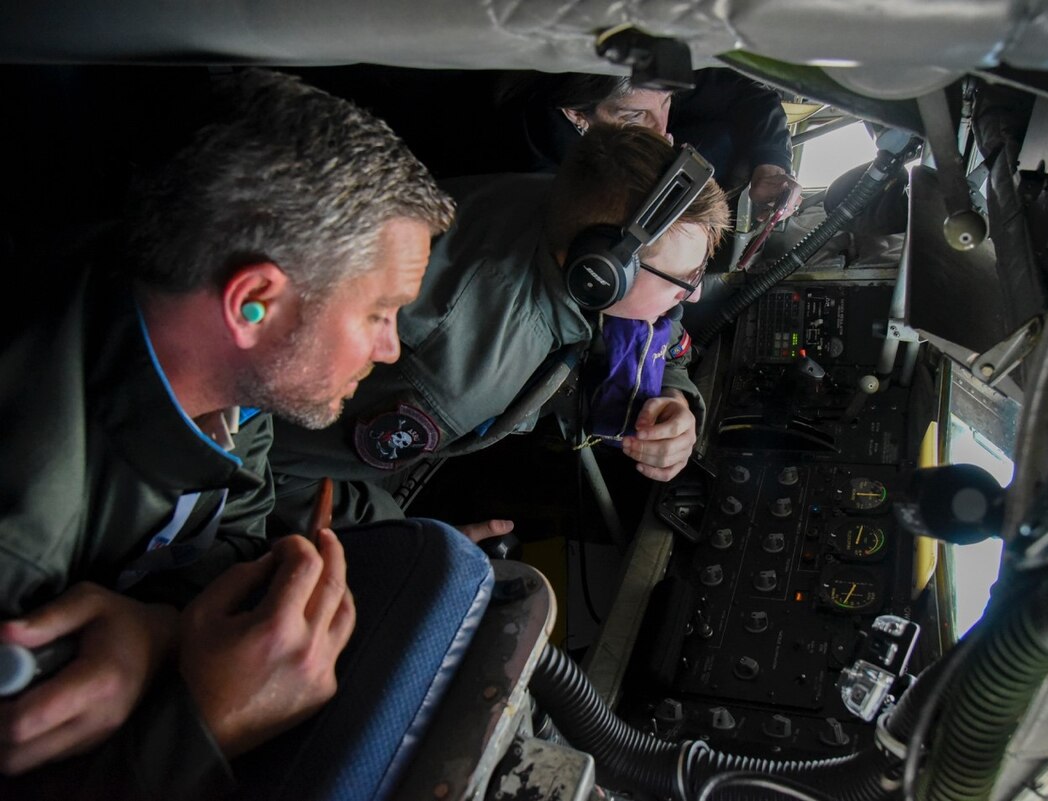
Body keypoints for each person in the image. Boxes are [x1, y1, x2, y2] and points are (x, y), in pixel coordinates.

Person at [0, 68, 455, 799]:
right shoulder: (19, 529)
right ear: (252, 304)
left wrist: (160, 634)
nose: (391, 348)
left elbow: (233, 530)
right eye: (378, 312)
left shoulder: (230, 378)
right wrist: (205, 720)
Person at [267, 124, 731, 536]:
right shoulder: (454, 377)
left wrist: (676, 396)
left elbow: (661, 328)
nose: (690, 297)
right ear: (601, 273)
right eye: (682, 282)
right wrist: (402, 542)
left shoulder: (578, 215)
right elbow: (279, 466)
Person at [507, 68, 802, 218]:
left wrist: (772, 164)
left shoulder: (652, 80)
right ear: (576, 113)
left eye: (667, 101)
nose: (661, 128)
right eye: (636, 115)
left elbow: (753, 97)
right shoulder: (538, 164)